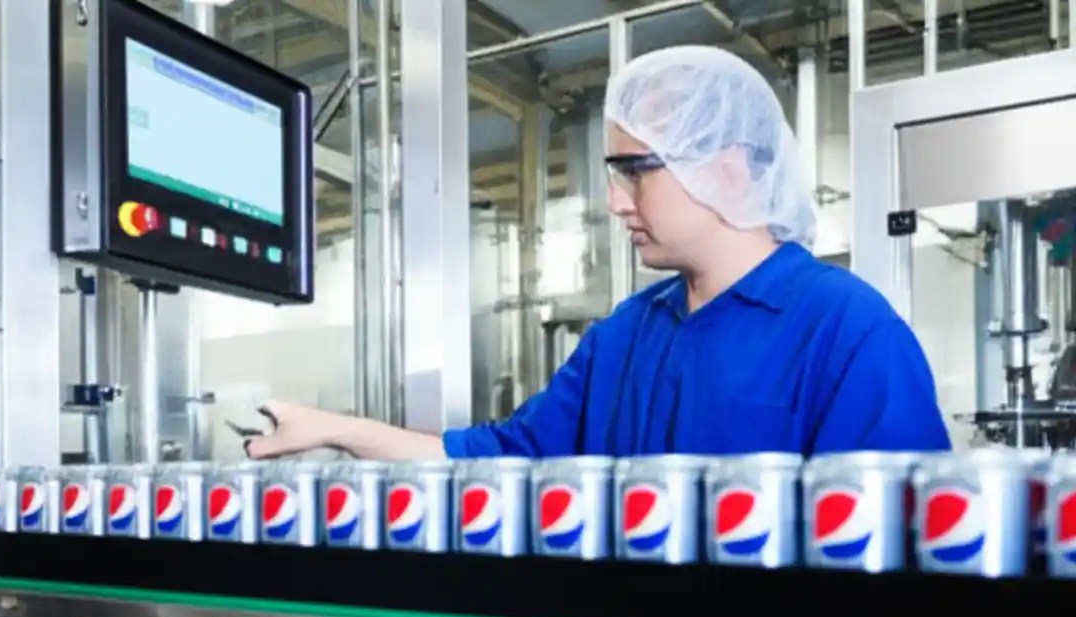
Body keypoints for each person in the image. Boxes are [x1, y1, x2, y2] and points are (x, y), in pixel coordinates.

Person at [246, 45, 951, 461]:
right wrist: (333, 429)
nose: (615, 201)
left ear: (727, 167)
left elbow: (901, 564)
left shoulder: (846, 332)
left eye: (635, 171)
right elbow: (500, 460)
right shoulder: (627, 334)